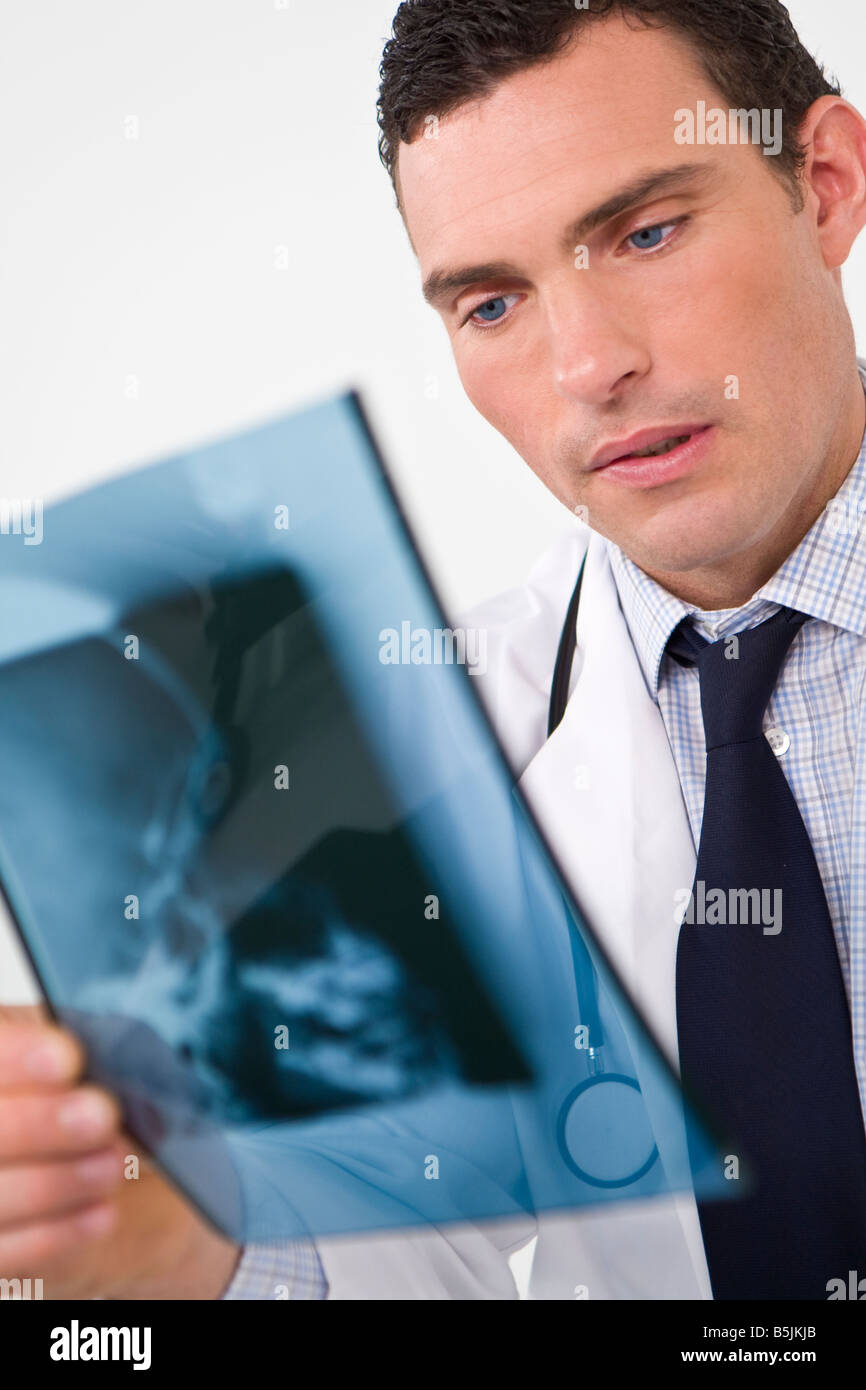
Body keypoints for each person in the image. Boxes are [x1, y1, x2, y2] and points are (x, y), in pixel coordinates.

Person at [3, 0, 866, 1299]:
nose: (587, 365)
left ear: (823, 187)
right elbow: (384, 1252)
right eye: (491, 300)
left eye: (643, 231)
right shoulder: (420, 744)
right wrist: (171, 1246)